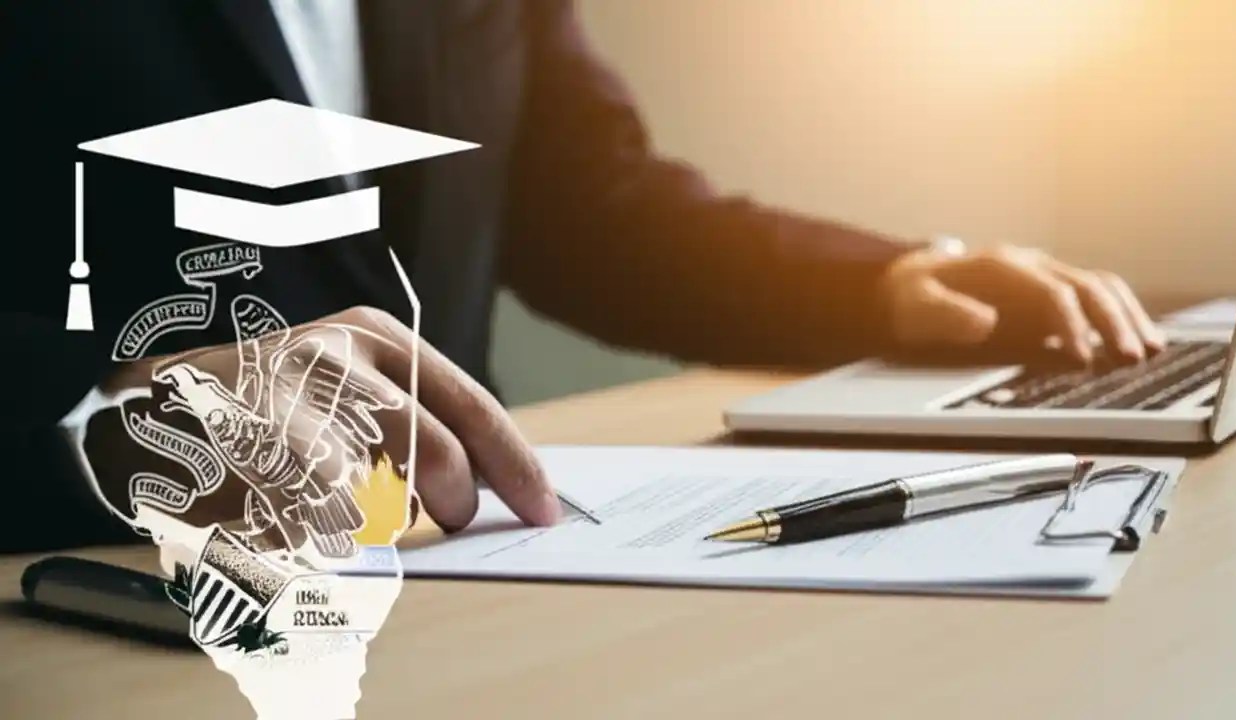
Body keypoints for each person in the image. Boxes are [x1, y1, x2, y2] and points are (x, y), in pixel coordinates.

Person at [0, 1, 1164, 553]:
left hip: (460, 575)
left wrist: (888, 284)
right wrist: (103, 413)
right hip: (93, 593)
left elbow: (589, 208)